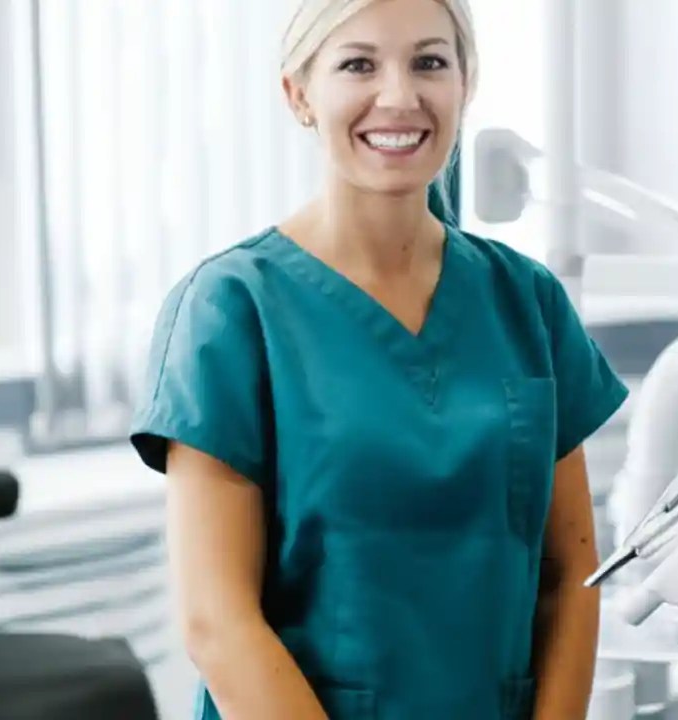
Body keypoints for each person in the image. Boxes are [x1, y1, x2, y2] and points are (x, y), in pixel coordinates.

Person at [128, 0, 629, 717]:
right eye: (358, 64)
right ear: (299, 94)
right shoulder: (233, 307)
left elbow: (570, 572)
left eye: (429, 62)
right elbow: (217, 621)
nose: (399, 96)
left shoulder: (527, 301)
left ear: (465, 83)